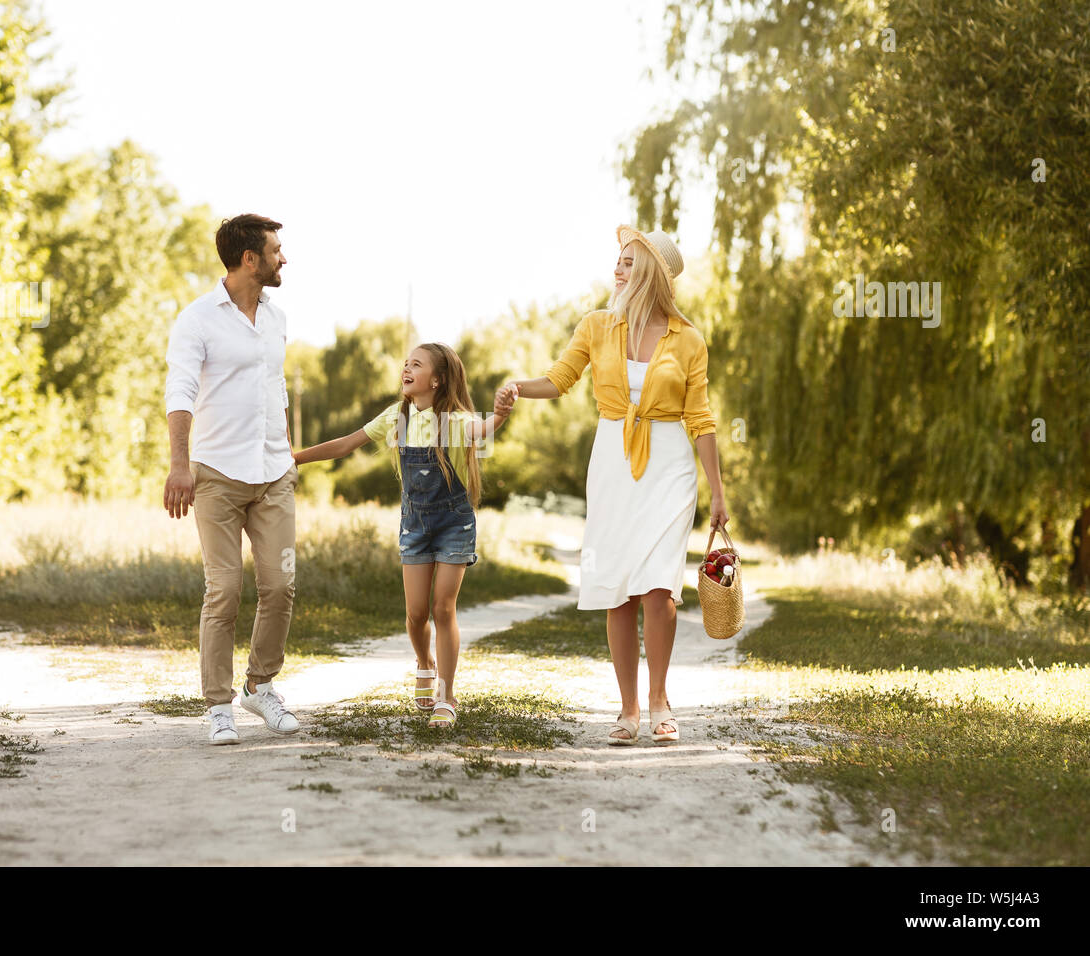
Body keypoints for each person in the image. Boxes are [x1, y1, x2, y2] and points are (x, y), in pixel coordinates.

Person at [501, 226, 728, 745]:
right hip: (612, 459)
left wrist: (718, 490)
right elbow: (559, 379)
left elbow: (702, 419)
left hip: (669, 464)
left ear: (650, 271)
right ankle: (627, 709)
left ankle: (659, 701)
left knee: (658, 586)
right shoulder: (597, 325)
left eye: (629, 262)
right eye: (618, 261)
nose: (618, 269)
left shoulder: (688, 339)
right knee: (618, 591)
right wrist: (517, 387)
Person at [294, 343, 513, 729]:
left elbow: (484, 428)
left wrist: (499, 415)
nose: (406, 369)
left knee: (443, 608)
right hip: (414, 526)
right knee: (415, 615)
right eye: (405, 363)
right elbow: (346, 444)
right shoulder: (397, 417)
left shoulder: (455, 421)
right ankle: (424, 662)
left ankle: (447, 695)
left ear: (437, 379)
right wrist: (294, 457)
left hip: (454, 524)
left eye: (417, 364)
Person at [163, 214, 301, 745]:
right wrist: (180, 464)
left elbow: (277, 386)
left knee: (281, 585)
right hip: (217, 473)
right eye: (276, 249)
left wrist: (286, 448)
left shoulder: (277, 317)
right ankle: (219, 705)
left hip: (272, 474)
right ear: (250, 258)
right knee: (223, 590)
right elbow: (179, 391)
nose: (283, 258)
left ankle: (260, 687)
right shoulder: (197, 319)